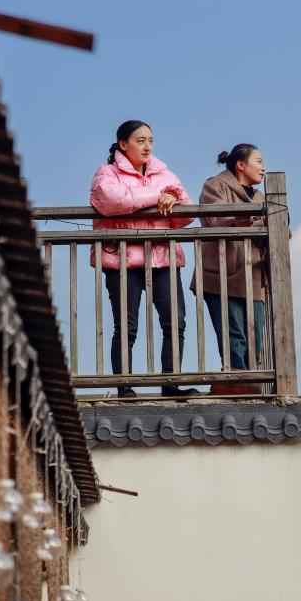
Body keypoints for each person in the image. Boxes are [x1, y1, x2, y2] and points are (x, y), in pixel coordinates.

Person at [89, 120, 201, 398]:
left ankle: (170, 385)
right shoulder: (106, 173)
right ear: (123, 145)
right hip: (122, 260)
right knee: (126, 327)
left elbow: (187, 213)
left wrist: (171, 198)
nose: (147, 146)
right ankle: (124, 387)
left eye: (150, 140)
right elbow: (111, 201)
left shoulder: (165, 173)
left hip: (162, 256)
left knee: (175, 322)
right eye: (140, 140)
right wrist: (158, 197)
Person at [192, 144, 268, 395]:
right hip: (222, 273)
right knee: (234, 335)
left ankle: (249, 383)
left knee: (255, 338)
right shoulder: (215, 185)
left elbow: (281, 230)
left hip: (254, 276)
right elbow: (217, 219)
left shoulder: (261, 198)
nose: (263, 167)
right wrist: (251, 220)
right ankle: (241, 387)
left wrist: (260, 222)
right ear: (240, 164)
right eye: (258, 161)